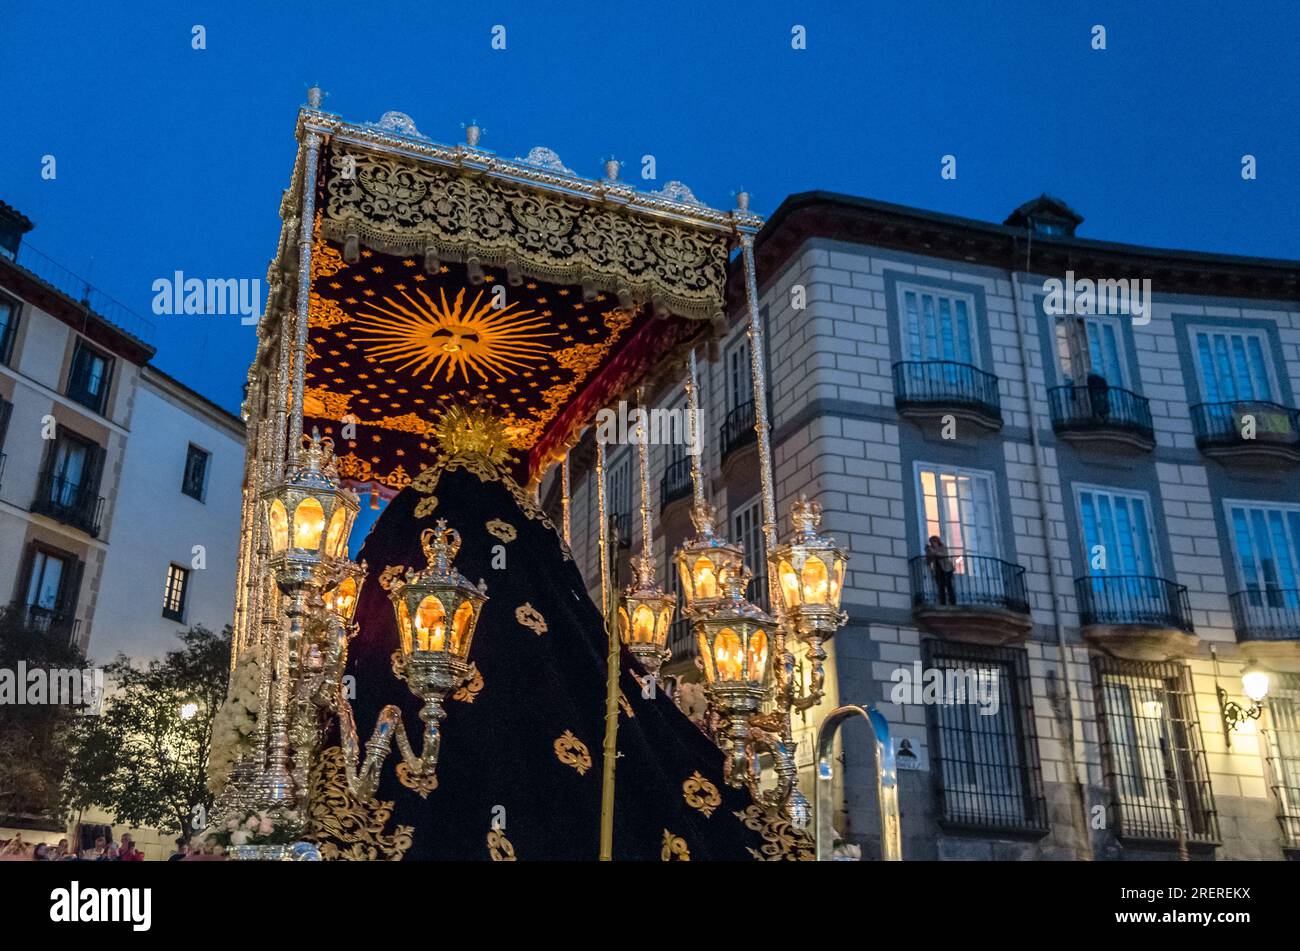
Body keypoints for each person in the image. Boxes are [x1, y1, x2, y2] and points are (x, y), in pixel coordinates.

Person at [925, 535, 957, 606]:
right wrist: (927, 553)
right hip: (938, 570)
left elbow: (942, 555)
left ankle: (952, 602)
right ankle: (943, 602)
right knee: (940, 586)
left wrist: (932, 551)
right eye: (931, 542)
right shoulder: (932, 550)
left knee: (949, 586)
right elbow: (928, 562)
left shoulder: (942, 547)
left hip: (947, 569)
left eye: (934, 542)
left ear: (937, 542)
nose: (933, 544)